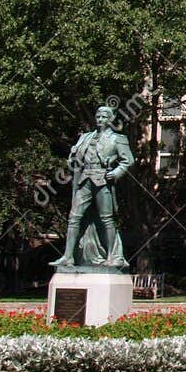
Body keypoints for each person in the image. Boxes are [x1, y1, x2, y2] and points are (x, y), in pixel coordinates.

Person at [52, 104, 134, 269]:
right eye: (98, 117)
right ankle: (67, 257)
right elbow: (75, 158)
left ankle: (112, 256)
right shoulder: (85, 137)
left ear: (110, 120)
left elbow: (128, 161)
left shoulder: (118, 138)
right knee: (74, 217)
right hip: (85, 180)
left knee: (107, 219)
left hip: (103, 180)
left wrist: (116, 173)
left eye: (104, 117)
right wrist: (73, 157)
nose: (100, 120)